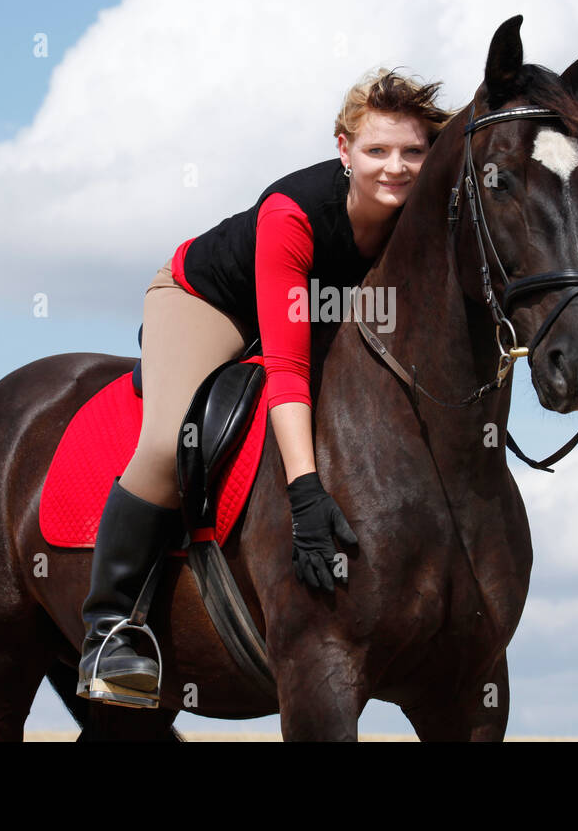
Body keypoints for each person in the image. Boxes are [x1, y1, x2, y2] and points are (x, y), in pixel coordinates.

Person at [78, 68, 458, 705]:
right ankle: (110, 627)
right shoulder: (292, 213)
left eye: (413, 152)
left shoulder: (414, 217)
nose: (395, 168)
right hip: (211, 303)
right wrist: (305, 493)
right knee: (172, 439)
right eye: (377, 151)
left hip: (314, 311)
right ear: (344, 149)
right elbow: (288, 368)